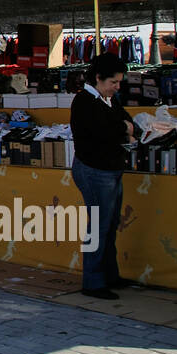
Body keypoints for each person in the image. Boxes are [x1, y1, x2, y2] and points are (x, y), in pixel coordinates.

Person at [68, 52, 141, 300]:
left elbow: (124, 122)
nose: (117, 87)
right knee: (98, 227)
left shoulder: (107, 100)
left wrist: (123, 127)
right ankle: (93, 280)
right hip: (94, 170)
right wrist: (123, 128)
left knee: (109, 226)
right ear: (99, 78)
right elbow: (110, 129)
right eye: (114, 83)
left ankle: (109, 275)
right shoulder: (84, 102)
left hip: (110, 169)